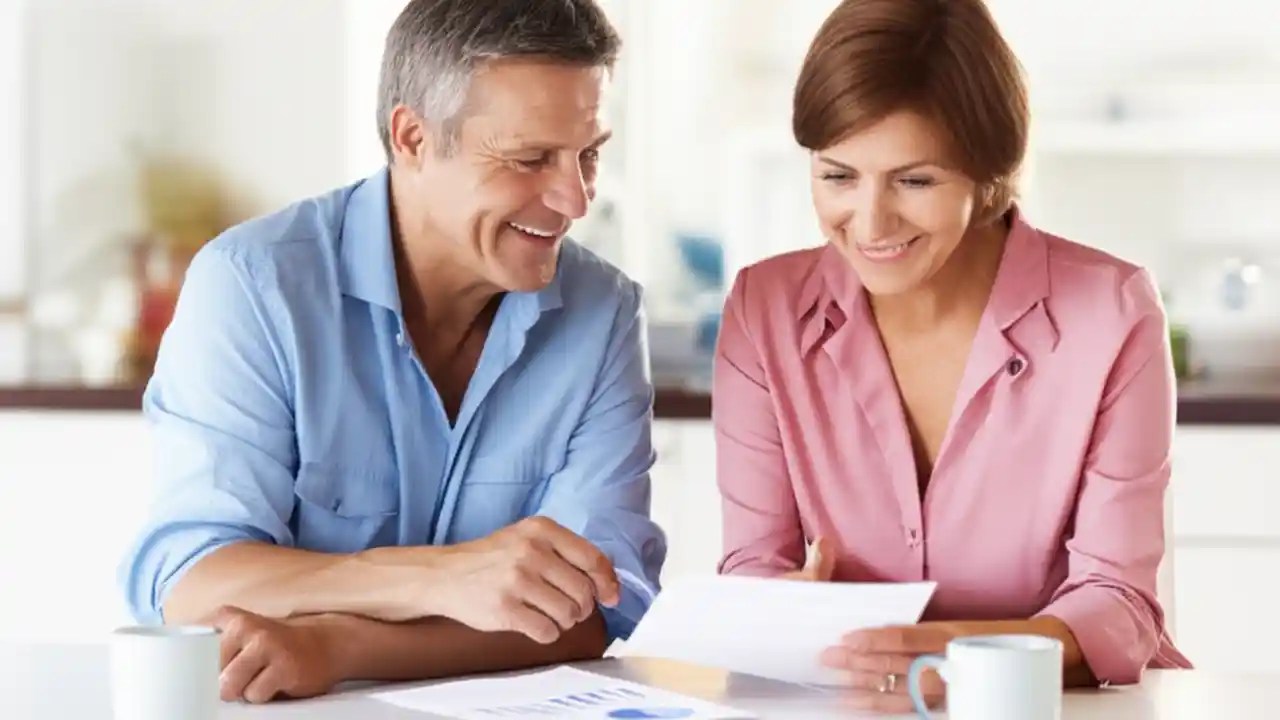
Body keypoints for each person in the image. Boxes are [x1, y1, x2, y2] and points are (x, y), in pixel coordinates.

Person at [118, 0, 665, 704]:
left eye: (589, 154)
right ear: (411, 137)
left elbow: (590, 614)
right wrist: (440, 577)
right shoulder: (255, 287)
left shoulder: (604, 313)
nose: (575, 198)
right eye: (531, 159)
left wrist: (336, 644)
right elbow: (193, 589)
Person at [712, 0, 1191, 712]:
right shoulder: (764, 311)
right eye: (838, 176)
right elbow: (752, 568)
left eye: (916, 181)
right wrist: (776, 609)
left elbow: (1119, 601)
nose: (870, 224)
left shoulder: (1111, 312)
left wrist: (961, 655)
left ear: (988, 173)